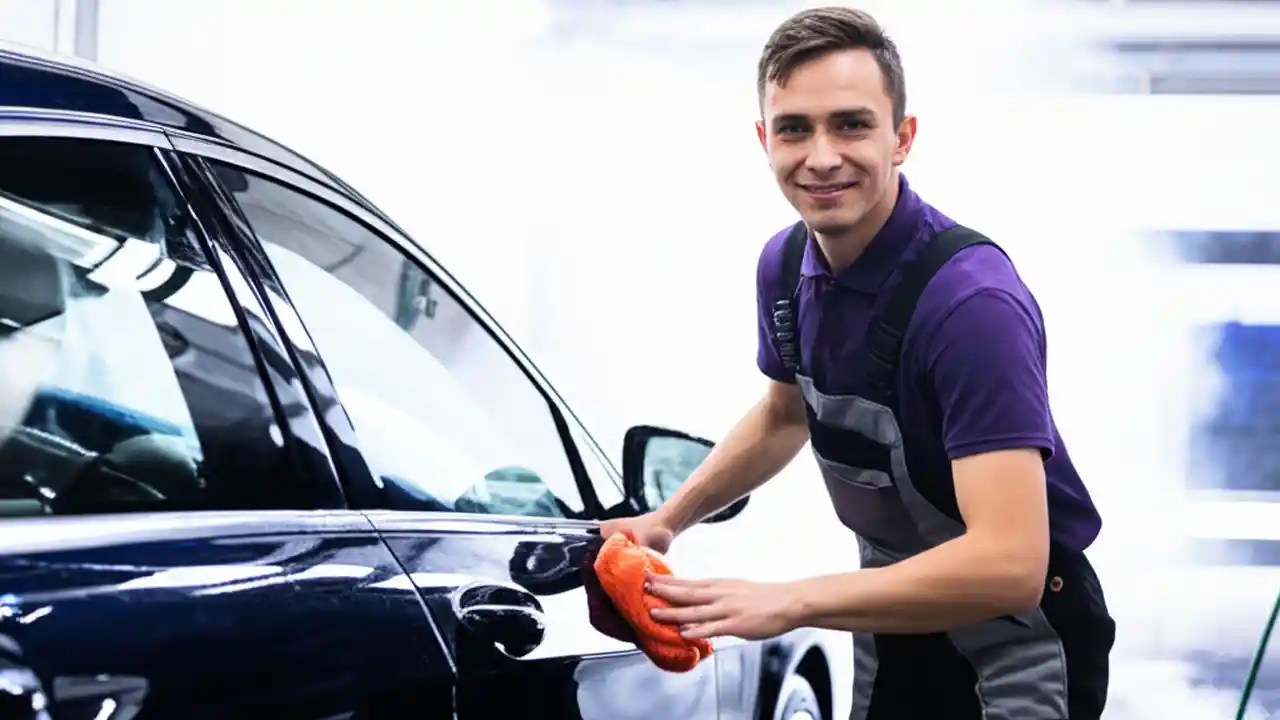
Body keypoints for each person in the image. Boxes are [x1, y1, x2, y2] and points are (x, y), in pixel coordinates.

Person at [599, 6, 1115, 719]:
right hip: (893, 618)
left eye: (850, 124)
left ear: (902, 137)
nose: (820, 156)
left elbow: (1010, 567)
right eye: (794, 128)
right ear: (763, 140)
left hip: (1018, 641)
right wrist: (669, 519)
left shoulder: (971, 307)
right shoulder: (784, 266)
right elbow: (786, 414)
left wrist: (789, 603)